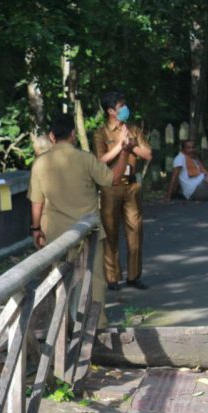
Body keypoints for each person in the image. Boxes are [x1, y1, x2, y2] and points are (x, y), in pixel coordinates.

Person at [29, 114, 126, 328]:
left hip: (54, 235)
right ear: (73, 135)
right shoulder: (86, 159)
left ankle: (59, 326)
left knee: (57, 280)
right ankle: (95, 325)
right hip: (87, 232)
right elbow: (112, 179)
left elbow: (37, 202)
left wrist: (36, 229)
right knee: (93, 280)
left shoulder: (40, 164)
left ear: (52, 136)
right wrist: (125, 153)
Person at [93, 91, 152, 291]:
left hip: (132, 186)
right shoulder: (101, 133)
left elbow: (148, 154)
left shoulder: (134, 130)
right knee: (110, 232)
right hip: (110, 187)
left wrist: (132, 147)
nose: (124, 109)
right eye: (120, 106)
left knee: (135, 231)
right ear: (110, 111)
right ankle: (112, 278)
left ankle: (134, 276)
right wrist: (120, 147)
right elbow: (100, 160)